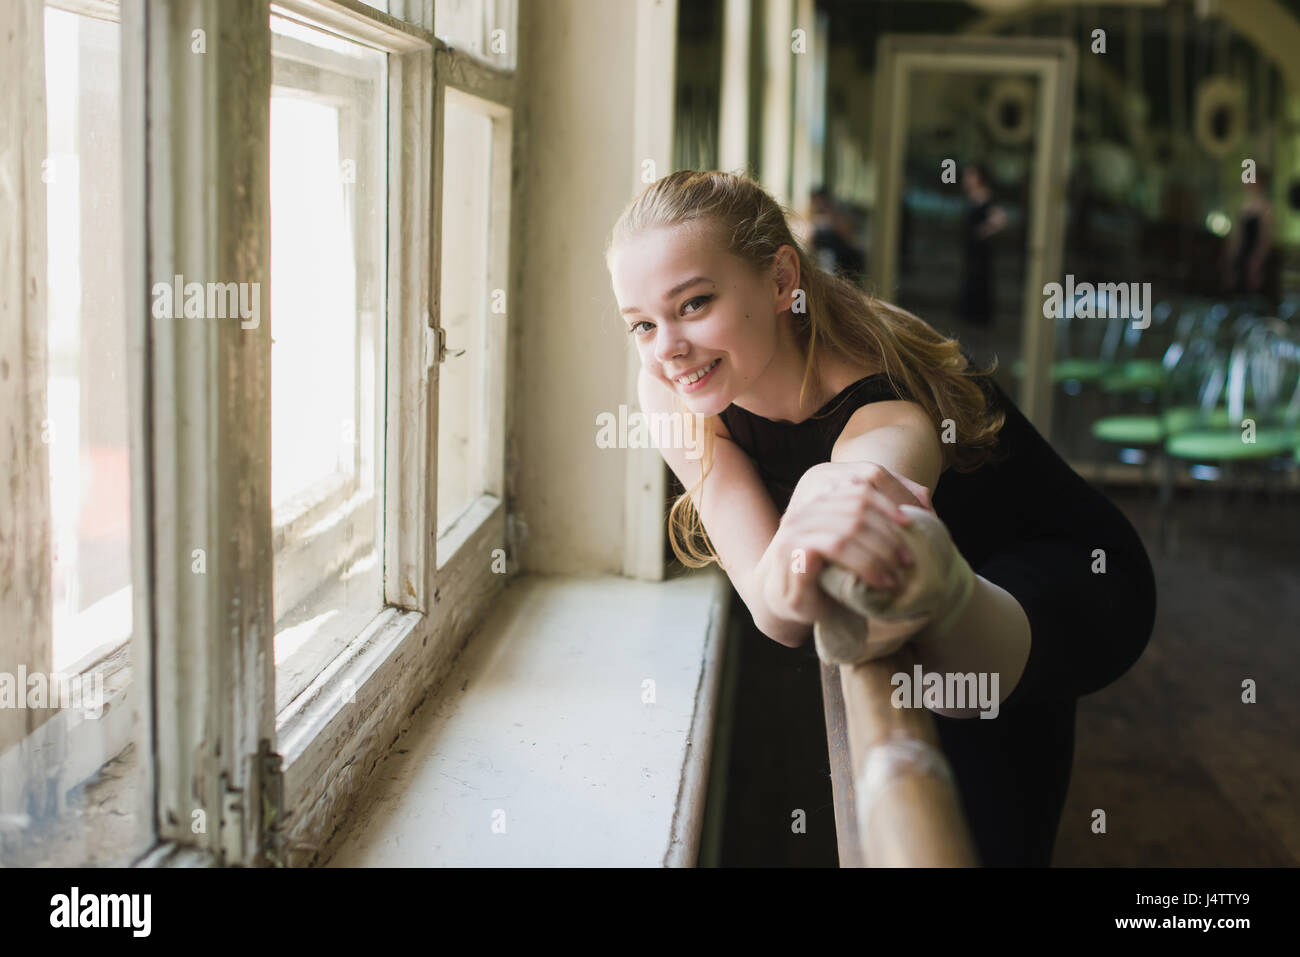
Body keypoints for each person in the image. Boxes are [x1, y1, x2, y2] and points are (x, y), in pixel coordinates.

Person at [606, 170, 1156, 867]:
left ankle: (949, 593)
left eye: (695, 303)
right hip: (946, 592)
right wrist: (796, 553)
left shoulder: (882, 402)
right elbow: (776, 609)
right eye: (643, 324)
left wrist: (819, 527)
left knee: (966, 734)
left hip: (1069, 577)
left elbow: (857, 503)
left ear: (781, 281)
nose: (668, 346)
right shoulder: (667, 381)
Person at [957, 163, 1006, 329]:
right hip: (970, 246)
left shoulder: (988, 196)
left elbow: (1000, 219)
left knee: (979, 278)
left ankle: (978, 316)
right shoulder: (970, 196)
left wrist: (984, 231)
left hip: (981, 248)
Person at [1223, 170, 1273, 297]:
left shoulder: (1265, 208)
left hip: (1254, 253)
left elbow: (1264, 238)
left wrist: (1257, 260)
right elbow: (1237, 235)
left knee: (1252, 290)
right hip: (1242, 251)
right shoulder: (1243, 206)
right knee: (1236, 288)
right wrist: (1231, 255)